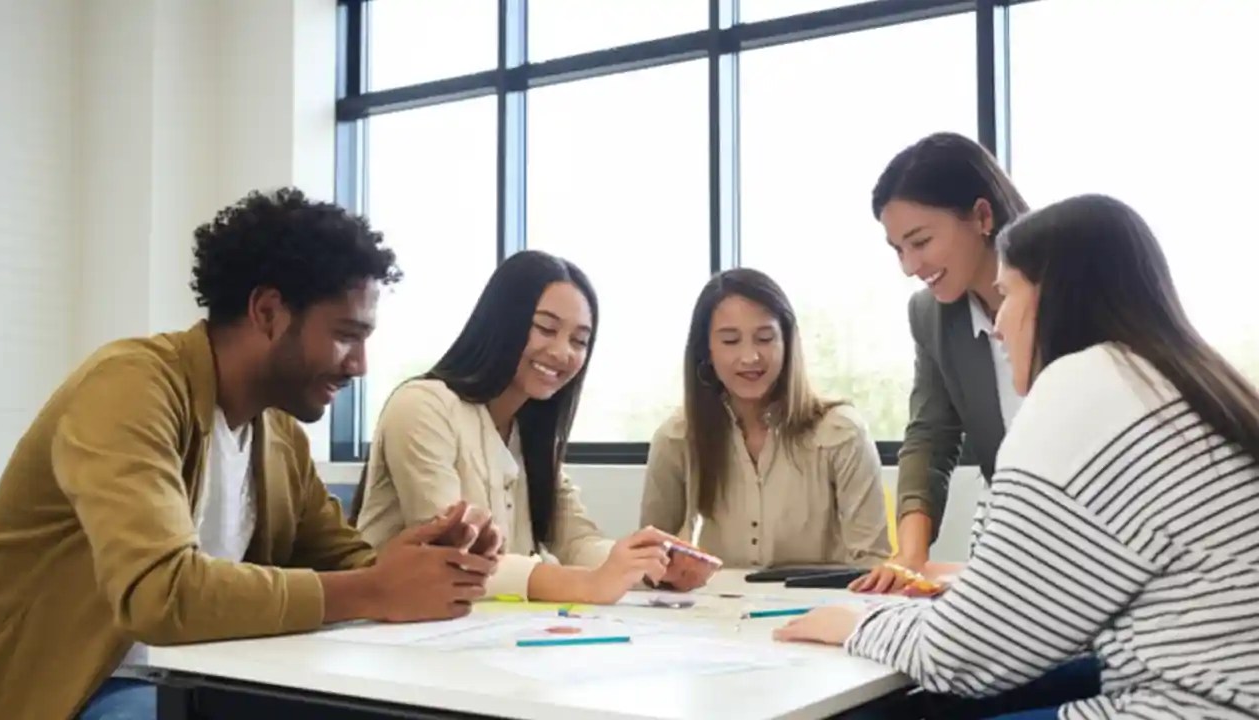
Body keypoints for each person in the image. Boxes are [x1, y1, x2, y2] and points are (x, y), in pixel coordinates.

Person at [0, 188, 502, 720]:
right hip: (76, 692)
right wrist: (375, 589)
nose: (360, 365)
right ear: (269, 312)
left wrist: (434, 560)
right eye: (347, 335)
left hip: (195, 677)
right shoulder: (130, 387)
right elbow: (161, 594)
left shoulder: (276, 431)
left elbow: (346, 566)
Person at [775, 194, 1259, 719]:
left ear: (1055, 296)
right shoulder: (1175, 382)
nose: (999, 325)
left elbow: (966, 652)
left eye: (1006, 295)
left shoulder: (1086, 388)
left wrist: (857, 623)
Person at [355, 249, 707, 603]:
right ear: (502, 322)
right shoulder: (423, 406)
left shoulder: (531, 434)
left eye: (579, 341)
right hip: (387, 633)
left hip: (478, 632)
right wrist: (590, 585)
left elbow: (576, 541)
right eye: (546, 329)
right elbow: (453, 558)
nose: (562, 352)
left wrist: (648, 563)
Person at [852, 132, 1031, 594]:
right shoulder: (931, 316)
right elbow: (931, 435)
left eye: (920, 241)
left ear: (982, 216)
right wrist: (910, 556)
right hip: (1019, 548)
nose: (910, 266)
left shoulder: (1068, 290)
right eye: (897, 249)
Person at [641, 268, 890, 584]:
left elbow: (873, 565)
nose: (750, 357)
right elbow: (648, 561)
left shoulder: (842, 433)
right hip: (713, 616)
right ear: (707, 349)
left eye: (765, 338)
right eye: (730, 340)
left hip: (815, 612)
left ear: (788, 343)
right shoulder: (675, 438)